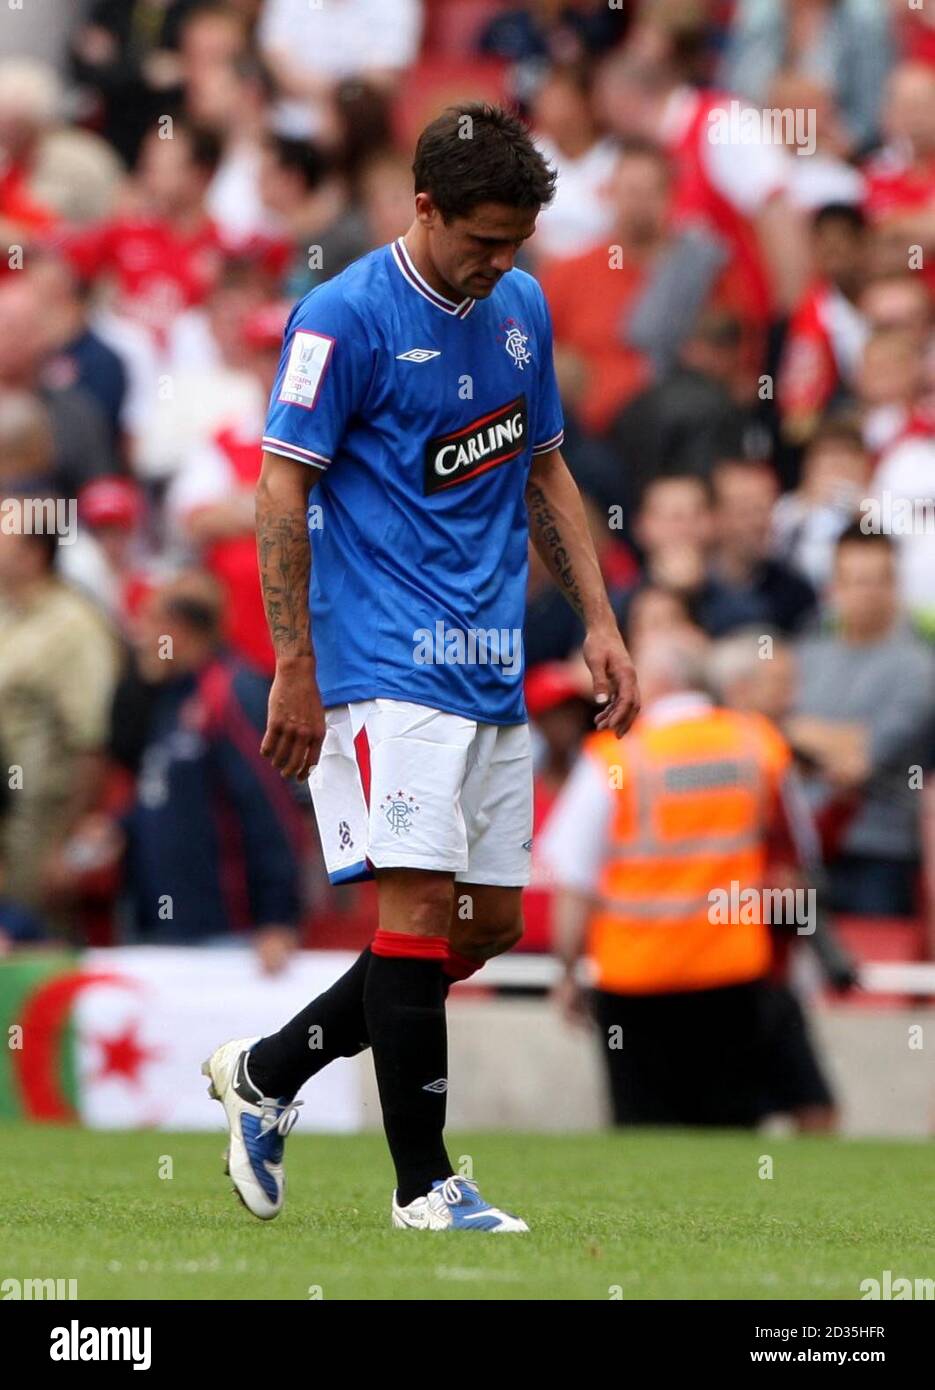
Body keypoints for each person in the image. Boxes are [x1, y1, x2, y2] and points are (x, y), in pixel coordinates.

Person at [201, 103, 640, 1233]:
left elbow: (544, 472)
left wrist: (598, 619)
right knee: (410, 911)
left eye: (516, 244)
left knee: (483, 924)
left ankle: (264, 1070)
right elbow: (279, 490)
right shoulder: (341, 317)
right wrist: (293, 662)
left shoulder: (520, 310)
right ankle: (423, 1185)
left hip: (488, 654)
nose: (499, 264)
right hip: (381, 660)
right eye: (481, 240)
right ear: (424, 207)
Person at [542, 630, 813, 1128]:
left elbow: (574, 880)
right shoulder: (759, 744)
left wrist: (566, 972)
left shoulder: (615, 758)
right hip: (732, 972)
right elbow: (799, 854)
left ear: (655, 680)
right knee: (729, 1131)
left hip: (635, 977)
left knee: (645, 1136)